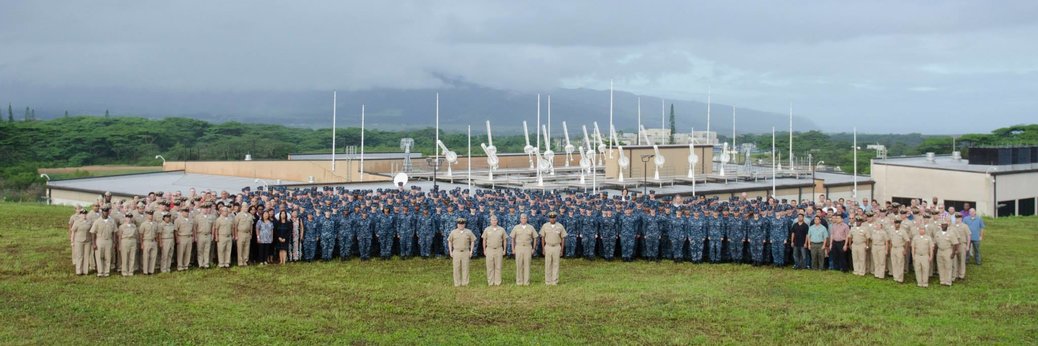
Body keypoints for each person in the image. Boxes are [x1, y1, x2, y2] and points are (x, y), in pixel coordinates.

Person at [447, 217, 476, 287]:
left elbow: (473, 241)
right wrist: (450, 251)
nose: (461, 225)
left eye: (462, 224)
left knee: (465, 268)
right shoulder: (453, 232)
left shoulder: (468, 232)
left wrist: (471, 251)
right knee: (456, 268)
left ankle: (465, 283)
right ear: (457, 224)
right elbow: (449, 241)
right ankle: (457, 283)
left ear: (464, 225)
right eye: (459, 224)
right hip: (456, 252)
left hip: (465, 251)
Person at [540, 212, 567, 285]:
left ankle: (555, 281)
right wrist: (543, 248)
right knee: (548, 264)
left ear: (556, 218)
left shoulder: (560, 226)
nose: (552, 219)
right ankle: (548, 281)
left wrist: (562, 249)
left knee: (556, 264)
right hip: (548, 246)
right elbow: (542, 238)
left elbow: (563, 238)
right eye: (551, 218)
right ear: (549, 218)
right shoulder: (545, 226)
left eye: (554, 218)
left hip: (557, 246)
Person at [511, 214, 538, 285]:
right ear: (520, 219)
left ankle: (526, 281)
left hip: (528, 247)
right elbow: (512, 238)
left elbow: (535, 237)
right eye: (522, 218)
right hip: (519, 247)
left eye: (525, 218)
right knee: (519, 264)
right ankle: (519, 281)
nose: (523, 219)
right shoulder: (516, 227)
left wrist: (533, 248)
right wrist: (513, 248)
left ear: (527, 219)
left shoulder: (531, 227)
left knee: (527, 264)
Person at [482, 215, 507, 286]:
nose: (494, 221)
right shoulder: (487, 229)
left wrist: (504, 249)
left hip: (499, 249)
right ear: (490, 221)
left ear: (497, 221)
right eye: (492, 220)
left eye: (495, 220)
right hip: (489, 249)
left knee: (498, 266)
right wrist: (484, 250)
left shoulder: (501, 229)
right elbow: (484, 240)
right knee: (490, 266)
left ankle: (497, 282)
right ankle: (490, 282)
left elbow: (504, 240)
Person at [934, 221, 960, 286]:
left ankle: (948, 281)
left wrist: (953, 253)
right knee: (940, 266)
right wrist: (935, 252)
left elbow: (955, 244)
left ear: (947, 225)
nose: (943, 226)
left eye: (945, 225)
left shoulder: (951, 233)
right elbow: (936, 244)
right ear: (941, 226)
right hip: (939, 251)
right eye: (942, 225)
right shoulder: (937, 233)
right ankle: (942, 281)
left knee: (948, 267)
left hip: (948, 251)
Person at [70, 209, 92, 275]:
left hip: (88, 241)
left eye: (85, 214)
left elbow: (91, 232)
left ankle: (85, 271)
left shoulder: (89, 222)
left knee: (86, 256)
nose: (84, 215)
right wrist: (72, 241)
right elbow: (73, 232)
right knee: (79, 256)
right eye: (82, 214)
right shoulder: (77, 222)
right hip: (79, 241)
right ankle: (79, 270)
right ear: (80, 215)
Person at [139, 210, 159, 275]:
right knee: (146, 257)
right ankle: (145, 271)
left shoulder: (155, 224)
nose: (151, 216)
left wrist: (157, 241)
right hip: (146, 241)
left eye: (152, 214)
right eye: (149, 214)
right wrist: (142, 243)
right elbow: (141, 234)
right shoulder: (143, 224)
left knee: (153, 256)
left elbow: (157, 233)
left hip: (153, 241)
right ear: (147, 215)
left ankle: (151, 271)